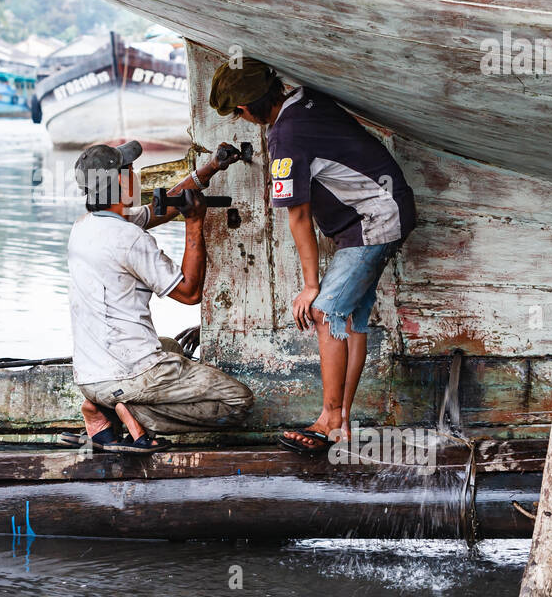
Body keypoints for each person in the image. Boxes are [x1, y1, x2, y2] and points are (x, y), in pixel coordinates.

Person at [209, 59, 416, 454]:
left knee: (324, 311)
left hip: (374, 218)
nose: (241, 118)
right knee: (351, 317)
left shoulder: (284, 136)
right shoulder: (305, 100)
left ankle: (329, 419)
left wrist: (310, 285)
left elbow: (299, 215)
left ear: (246, 108)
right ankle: (341, 425)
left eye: (237, 112)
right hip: (381, 211)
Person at [64, 139, 254, 453]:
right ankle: (130, 413)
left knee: (170, 347)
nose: (135, 175)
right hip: (128, 376)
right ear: (122, 182)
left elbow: (157, 210)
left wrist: (209, 169)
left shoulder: (84, 228)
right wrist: (194, 223)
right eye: (130, 170)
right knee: (238, 401)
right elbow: (190, 293)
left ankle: (101, 408)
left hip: (91, 375)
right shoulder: (129, 238)